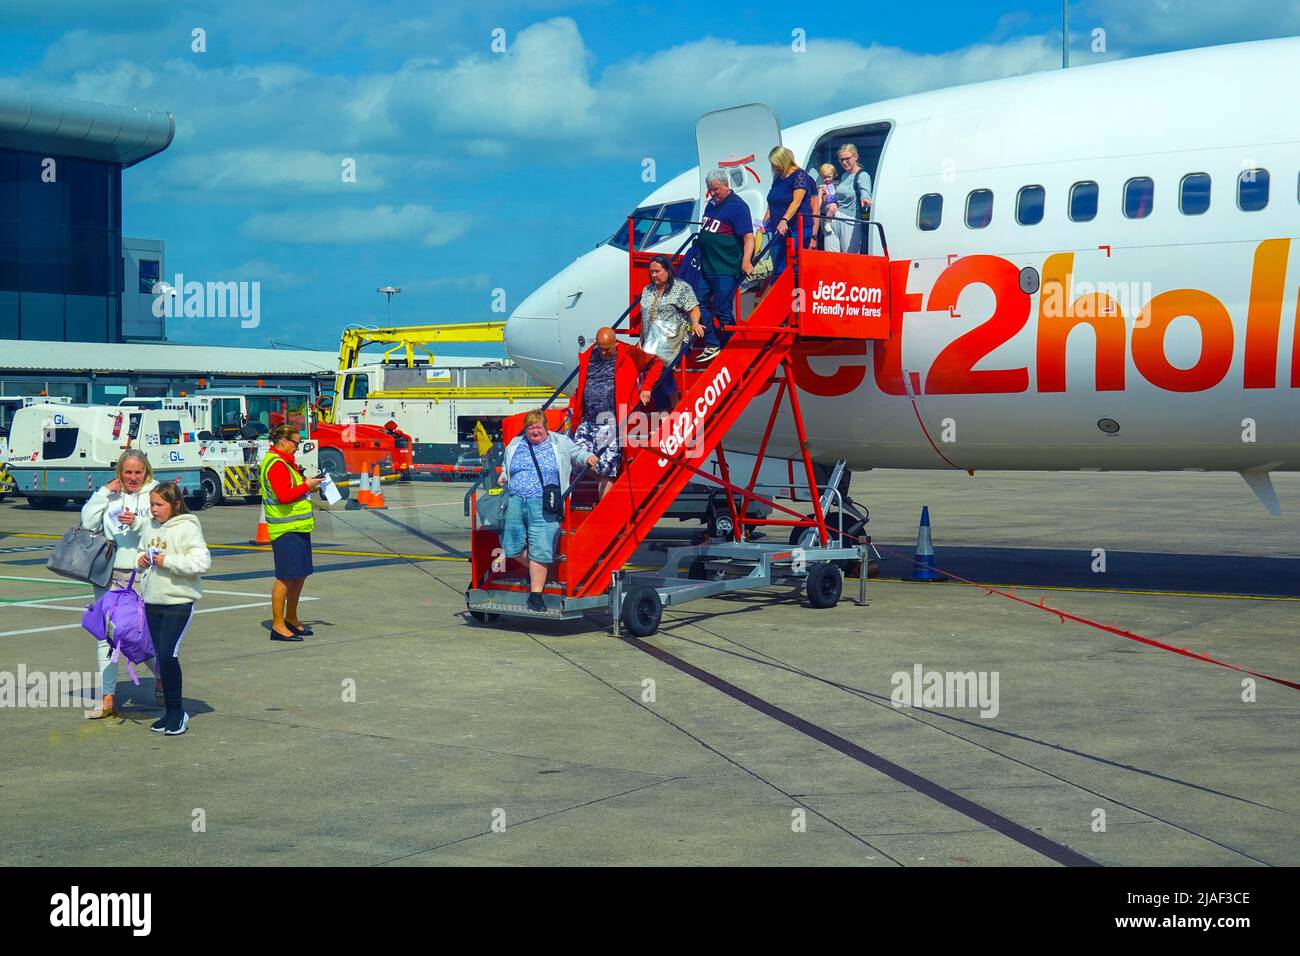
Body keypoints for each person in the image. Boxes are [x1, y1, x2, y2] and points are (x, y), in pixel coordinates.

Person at [80, 448, 161, 718]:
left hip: (141, 574)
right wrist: (102, 493)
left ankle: (162, 677)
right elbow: (88, 522)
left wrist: (138, 522)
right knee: (106, 636)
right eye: (128, 472)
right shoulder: (110, 494)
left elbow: (163, 525)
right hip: (108, 573)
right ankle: (107, 698)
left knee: (138, 635)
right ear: (120, 472)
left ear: (146, 471)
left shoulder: (155, 492)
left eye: (138, 472)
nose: (133, 477)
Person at [499, 410, 598, 612]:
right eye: (531, 427)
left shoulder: (559, 442)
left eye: (539, 427)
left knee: (541, 548)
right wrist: (504, 475)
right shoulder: (516, 444)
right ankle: (539, 568)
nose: (535, 431)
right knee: (511, 547)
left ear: (546, 427)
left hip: (544, 503)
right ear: (525, 429)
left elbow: (577, 453)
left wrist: (588, 457)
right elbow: (506, 464)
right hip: (516, 500)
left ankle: (536, 595)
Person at [138, 482, 211, 736]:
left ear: (175, 504)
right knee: (160, 658)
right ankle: (169, 713)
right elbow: (141, 553)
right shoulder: (150, 525)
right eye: (151, 505)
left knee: (169, 655)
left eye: (159, 505)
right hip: (152, 601)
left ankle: (178, 712)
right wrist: (142, 560)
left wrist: (166, 561)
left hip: (178, 601)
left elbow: (201, 562)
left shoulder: (187, 528)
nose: (154, 510)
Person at [569, 326, 662, 497]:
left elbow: (656, 363)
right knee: (574, 459)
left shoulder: (628, 352)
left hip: (611, 423)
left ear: (616, 342)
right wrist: (574, 404)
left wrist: (646, 388)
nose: (603, 353)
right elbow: (582, 384)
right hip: (588, 420)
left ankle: (603, 517)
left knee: (606, 471)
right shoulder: (589, 355)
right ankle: (611, 483)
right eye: (600, 348)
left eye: (607, 349)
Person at [259, 424, 322, 642]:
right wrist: (307, 485)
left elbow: (291, 490)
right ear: (283, 442)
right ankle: (278, 626)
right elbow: (284, 496)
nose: (298, 447)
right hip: (285, 530)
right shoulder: (276, 464)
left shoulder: (285, 463)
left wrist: (308, 485)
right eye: (296, 443)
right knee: (285, 578)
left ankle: (291, 618)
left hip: (298, 528)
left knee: (299, 574)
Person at [697, 170, 754, 362]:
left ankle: (734, 350)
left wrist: (746, 261)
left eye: (715, 189)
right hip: (707, 266)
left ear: (725, 185)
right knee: (695, 303)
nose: (712, 193)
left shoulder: (737, 207)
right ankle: (713, 343)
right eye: (710, 190)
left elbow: (748, 237)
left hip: (726, 268)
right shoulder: (711, 206)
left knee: (722, 308)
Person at [639, 255, 704, 399]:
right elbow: (644, 317)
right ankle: (665, 406)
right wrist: (641, 340)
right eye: (651, 272)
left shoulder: (681, 288)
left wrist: (695, 323)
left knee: (659, 368)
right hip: (652, 340)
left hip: (674, 337)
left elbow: (694, 309)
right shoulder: (647, 290)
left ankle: (672, 401)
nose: (654, 275)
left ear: (668, 270)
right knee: (650, 369)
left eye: (657, 271)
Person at [763, 146, 817, 282]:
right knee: (778, 264)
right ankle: (782, 297)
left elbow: (796, 202)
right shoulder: (777, 178)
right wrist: (764, 222)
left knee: (795, 265)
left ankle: (798, 296)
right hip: (778, 228)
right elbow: (772, 201)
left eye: (776, 163)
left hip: (797, 227)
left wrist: (784, 219)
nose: (774, 167)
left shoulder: (799, 175)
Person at [831, 143, 874, 254]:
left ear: (855, 157)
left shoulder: (862, 175)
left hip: (850, 221)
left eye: (847, 159)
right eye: (841, 160)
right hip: (836, 217)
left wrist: (865, 198)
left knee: (850, 256)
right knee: (831, 257)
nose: (844, 162)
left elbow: (865, 190)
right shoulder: (844, 175)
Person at [817, 163, 840, 251]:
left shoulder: (838, 185)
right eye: (824, 177)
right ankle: (827, 223)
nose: (826, 179)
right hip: (826, 211)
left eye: (829, 177)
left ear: (834, 175)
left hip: (837, 213)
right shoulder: (822, 188)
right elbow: (819, 200)